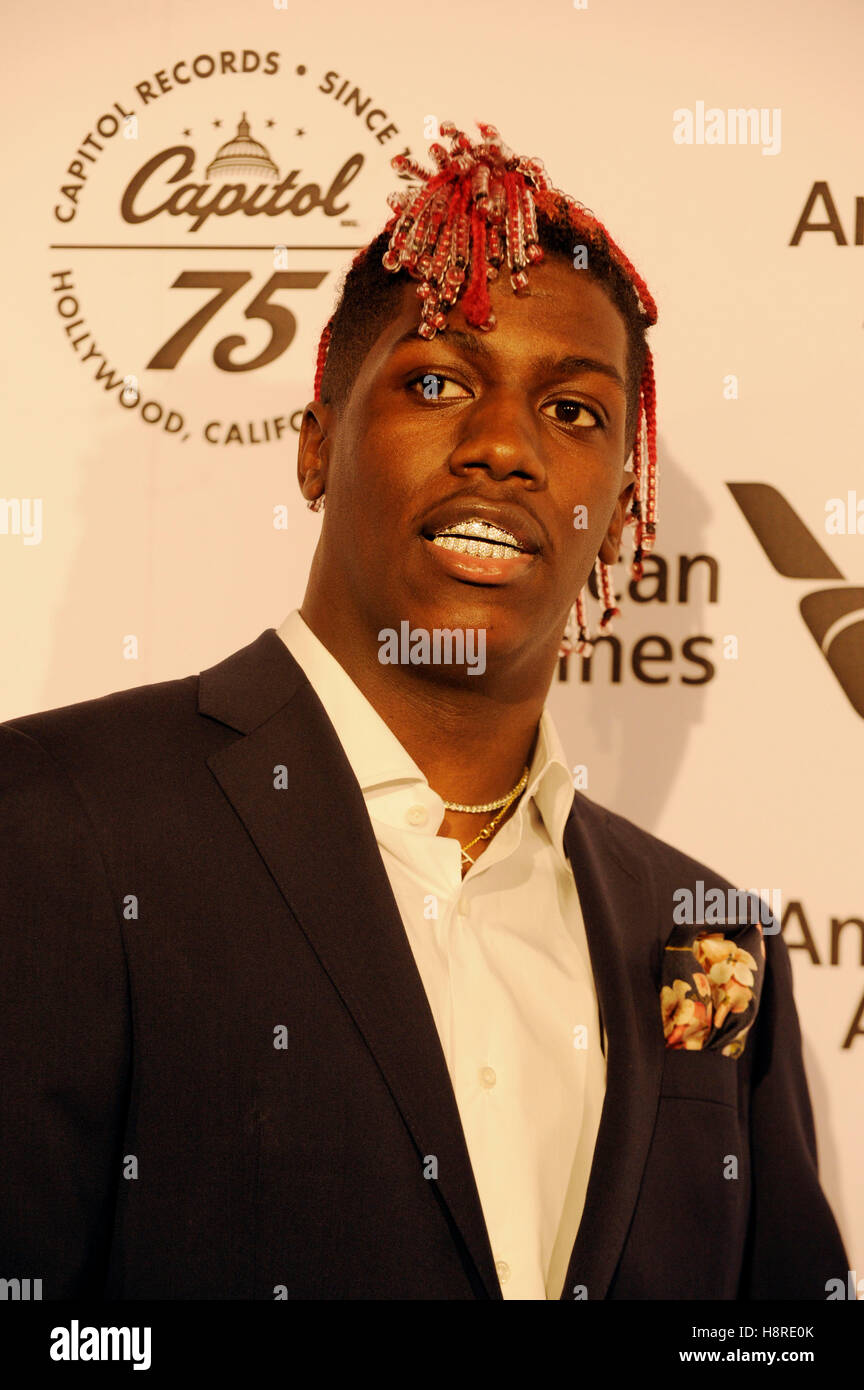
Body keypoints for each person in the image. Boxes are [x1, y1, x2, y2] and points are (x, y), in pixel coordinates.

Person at [0, 121, 847, 1300]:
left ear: (620, 501)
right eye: (439, 382)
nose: (505, 446)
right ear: (314, 448)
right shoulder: (54, 821)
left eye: (577, 413)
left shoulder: (705, 936)